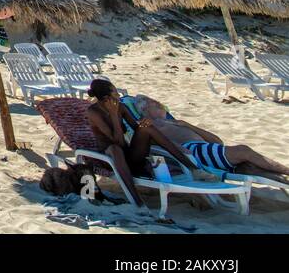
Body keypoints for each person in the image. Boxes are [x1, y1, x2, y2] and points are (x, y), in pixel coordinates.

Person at [85, 78, 196, 207]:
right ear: (106, 98)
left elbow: (135, 127)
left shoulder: (120, 106)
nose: (119, 96)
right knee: (115, 149)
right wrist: (114, 116)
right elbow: (117, 142)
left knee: (146, 129)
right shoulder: (93, 112)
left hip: (129, 157)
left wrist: (144, 123)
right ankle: (136, 200)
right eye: (115, 94)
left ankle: (191, 166)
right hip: (111, 159)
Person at [134, 96, 289, 181]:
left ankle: (283, 179)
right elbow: (149, 142)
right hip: (193, 151)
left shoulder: (175, 122)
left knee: (248, 166)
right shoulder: (151, 124)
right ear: (145, 109)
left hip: (205, 150)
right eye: (154, 102)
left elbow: (217, 141)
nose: (160, 104)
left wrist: (188, 125)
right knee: (243, 150)